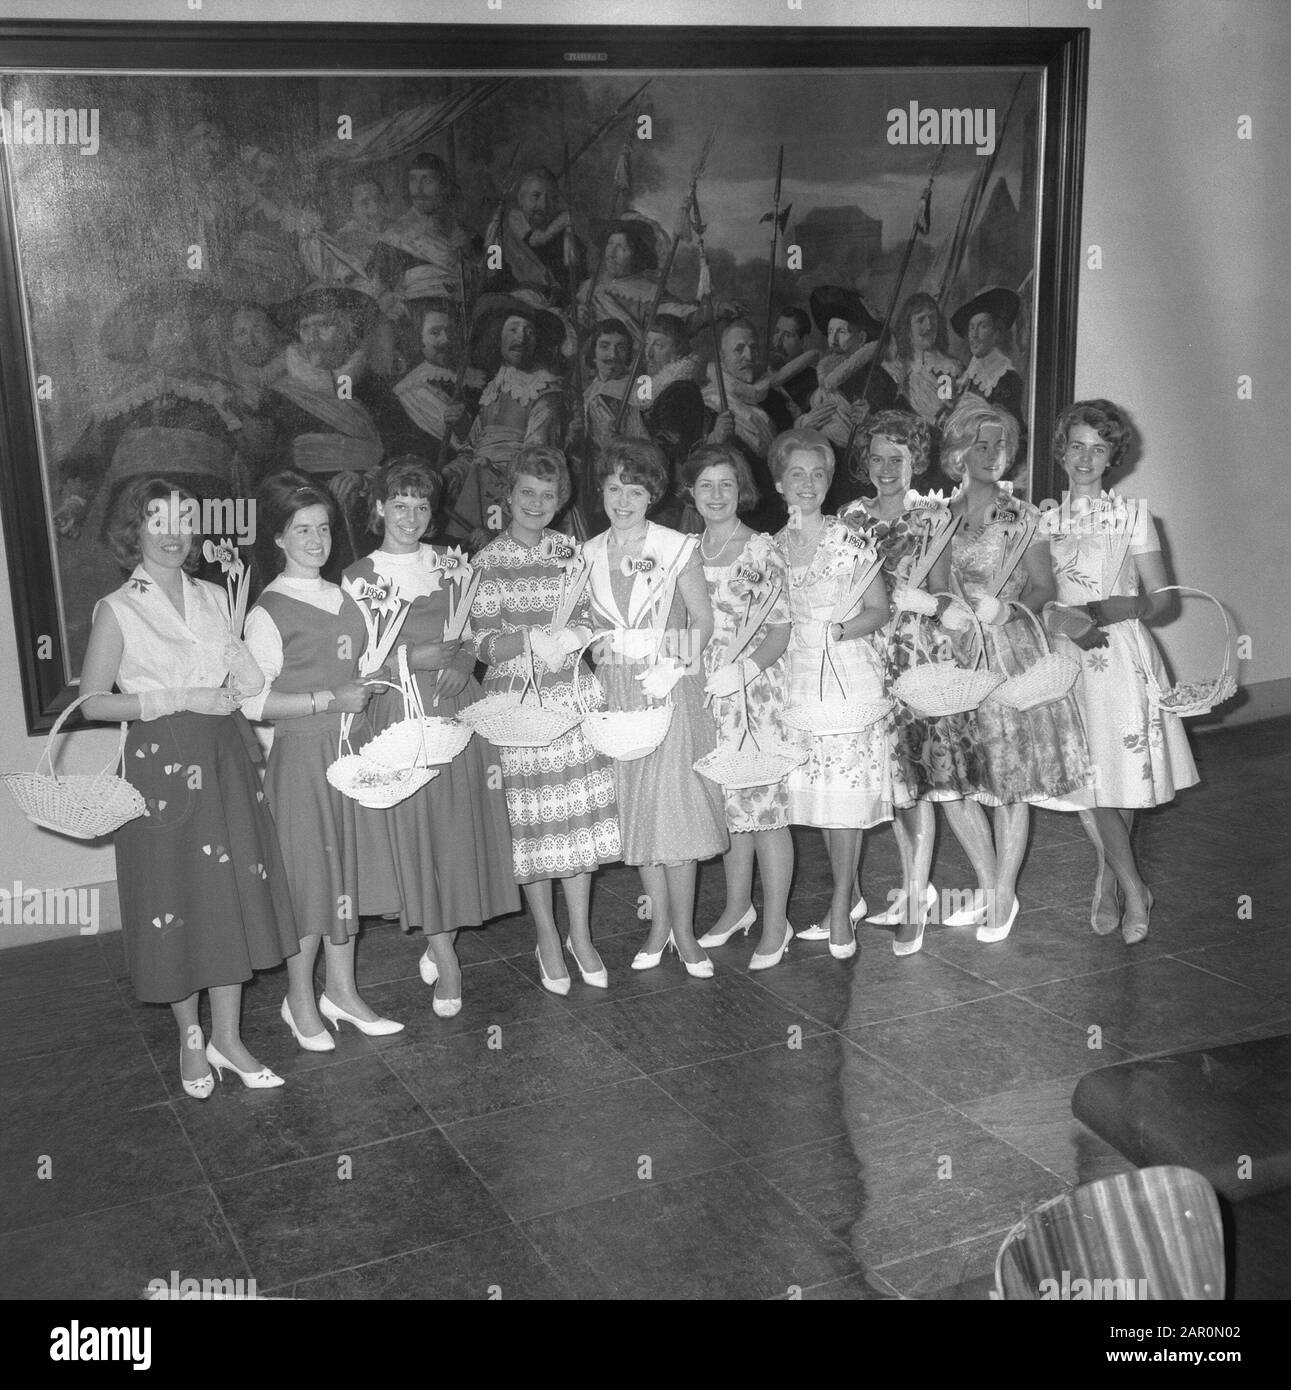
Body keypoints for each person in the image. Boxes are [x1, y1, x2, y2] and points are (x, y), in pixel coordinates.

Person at [79, 477, 298, 1095]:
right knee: (173, 901)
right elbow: (93, 703)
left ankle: (229, 1037)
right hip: (158, 765)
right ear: (134, 531)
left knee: (227, 897)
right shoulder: (117, 609)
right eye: (157, 521)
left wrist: (245, 663)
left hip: (224, 755)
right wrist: (177, 697)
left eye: (181, 521)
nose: (172, 533)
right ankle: (191, 1040)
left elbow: (247, 685)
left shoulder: (215, 595)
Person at [345, 457, 520, 1014]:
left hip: (457, 704)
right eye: (400, 505)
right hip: (401, 711)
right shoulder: (358, 578)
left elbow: (476, 632)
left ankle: (441, 928)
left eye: (422, 506)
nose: (412, 516)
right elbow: (352, 666)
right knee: (421, 832)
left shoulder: (453, 563)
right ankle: (445, 955)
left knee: (456, 829)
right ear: (379, 508)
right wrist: (408, 657)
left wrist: (467, 660)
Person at [241, 471, 405, 1045]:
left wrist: (370, 682)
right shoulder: (268, 610)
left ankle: (342, 990)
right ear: (279, 539)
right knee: (310, 882)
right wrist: (326, 699)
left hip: (351, 748)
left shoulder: (346, 597)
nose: (316, 540)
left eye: (324, 528)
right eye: (301, 530)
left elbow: (353, 670)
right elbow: (253, 699)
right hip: (303, 759)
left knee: (347, 874)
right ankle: (298, 999)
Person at [1043, 399, 1198, 944]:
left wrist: (1121, 607)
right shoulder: (1042, 521)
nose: (1086, 458)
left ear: (1113, 457)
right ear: (1062, 449)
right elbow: (1035, 595)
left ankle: (1113, 884)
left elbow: (1166, 602)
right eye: (1077, 445)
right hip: (1067, 659)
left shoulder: (1134, 517)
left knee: (1118, 780)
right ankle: (1131, 885)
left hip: (1121, 657)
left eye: (1099, 448)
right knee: (1093, 782)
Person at [840, 411, 992, 954]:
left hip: (919, 655)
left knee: (938, 779)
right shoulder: (851, 517)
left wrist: (926, 604)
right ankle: (915, 891)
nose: (885, 468)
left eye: (897, 459)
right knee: (897, 784)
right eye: (877, 457)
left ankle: (984, 892)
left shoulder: (933, 516)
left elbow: (950, 597)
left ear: (915, 462)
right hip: (868, 656)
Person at [471, 446, 622, 991]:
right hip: (518, 708)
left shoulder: (569, 552)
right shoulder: (487, 562)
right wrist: (526, 640)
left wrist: (575, 636)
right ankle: (545, 937)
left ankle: (580, 936)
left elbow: (590, 616)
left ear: (560, 502)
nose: (536, 504)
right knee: (536, 830)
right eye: (526, 493)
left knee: (577, 826)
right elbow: (480, 643)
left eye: (548, 495)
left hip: (573, 697)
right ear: (508, 496)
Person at [942, 399, 1093, 942]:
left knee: (1009, 778)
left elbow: (1045, 588)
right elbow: (936, 585)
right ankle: (986, 886)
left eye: (1001, 445)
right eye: (980, 444)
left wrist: (1006, 609)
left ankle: (1004, 896)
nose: (991, 455)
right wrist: (946, 611)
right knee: (955, 783)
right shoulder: (943, 516)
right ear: (958, 450)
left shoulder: (1023, 516)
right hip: (956, 653)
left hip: (1009, 649)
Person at [583, 436, 728, 976]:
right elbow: (585, 625)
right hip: (618, 691)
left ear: (653, 494)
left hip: (668, 686)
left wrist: (673, 666)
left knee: (677, 810)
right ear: (601, 489)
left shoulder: (675, 546)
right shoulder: (590, 552)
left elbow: (703, 620)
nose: (624, 500)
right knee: (639, 810)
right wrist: (592, 645)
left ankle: (686, 934)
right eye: (615, 487)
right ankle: (658, 927)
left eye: (636, 490)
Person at [771, 427, 894, 959]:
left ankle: (841, 903)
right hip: (796, 681)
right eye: (797, 474)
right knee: (821, 800)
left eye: (818, 475)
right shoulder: (770, 548)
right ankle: (853, 894)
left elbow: (879, 610)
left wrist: (838, 630)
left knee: (845, 798)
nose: (808, 484)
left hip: (847, 676)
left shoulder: (851, 540)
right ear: (779, 483)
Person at [685, 444, 797, 969]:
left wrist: (745, 671)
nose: (715, 494)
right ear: (690, 492)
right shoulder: (685, 549)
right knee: (730, 811)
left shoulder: (762, 549)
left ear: (741, 489)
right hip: (702, 692)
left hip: (752, 694)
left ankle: (777, 923)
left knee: (765, 813)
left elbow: (780, 627)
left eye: (725, 484)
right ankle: (736, 909)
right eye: (705, 485)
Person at [267, 285, 392, 575]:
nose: (312, 335)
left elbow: (401, 454)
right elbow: (269, 466)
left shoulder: (375, 389)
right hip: (303, 512)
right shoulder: (281, 395)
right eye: (305, 326)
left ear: (348, 332)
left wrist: (364, 480)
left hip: (367, 513)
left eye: (325, 325)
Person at [445, 294, 569, 548]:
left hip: (512, 500)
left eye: (529, 332)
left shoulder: (544, 389)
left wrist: (502, 525)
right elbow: (472, 451)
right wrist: (443, 478)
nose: (521, 337)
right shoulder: (494, 387)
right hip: (476, 493)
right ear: (498, 337)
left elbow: (537, 466)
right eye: (512, 329)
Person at [804, 286, 899, 510]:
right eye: (830, 332)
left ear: (861, 338)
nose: (833, 340)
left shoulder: (877, 377)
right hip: (823, 465)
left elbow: (894, 426)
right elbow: (802, 418)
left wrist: (871, 418)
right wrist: (805, 423)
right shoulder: (821, 375)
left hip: (858, 469)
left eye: (842, 332)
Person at [702, 317, 786, 532]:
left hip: (774, 509)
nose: (748, 356)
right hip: (732, 512)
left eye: (753, 348)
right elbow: (692, 464)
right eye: (739, 350)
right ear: (723, 357)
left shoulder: (773, 398)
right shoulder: (709, 403)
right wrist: (715, 438)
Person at [372, 153, 475, 307]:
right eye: (413, 180)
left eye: (427, 180)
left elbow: (490, 276)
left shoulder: (463, 230)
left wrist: (469, 249)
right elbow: (382, 291)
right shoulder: (394, 237)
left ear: (443, 185)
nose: (418, 189)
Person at [390, 297, 473, 470]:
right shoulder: (407, 390)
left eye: (449, 331)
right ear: (418, 338)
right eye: (435, 333)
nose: (445, 340)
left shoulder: (475, 379)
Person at [949, 285, 1025, 429]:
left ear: (997, 333)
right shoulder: (967, 374)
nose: (974, 335)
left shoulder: (1007, 378)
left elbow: (1010, 430)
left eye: (982, 326)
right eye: (971, 327)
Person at [767, 306, 818, 417]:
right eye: (777, 332)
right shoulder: (763, 370)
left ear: (804, 341)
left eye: (787, 335)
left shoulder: (812, 382)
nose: (778, 342)